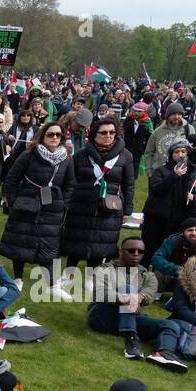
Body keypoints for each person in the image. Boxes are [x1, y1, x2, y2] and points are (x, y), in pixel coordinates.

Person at [0, 120, 74, 289]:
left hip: (52, 207)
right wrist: (13, 201)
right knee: (21, 240)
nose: (54, 137)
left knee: (49, 242)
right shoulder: (29, 154)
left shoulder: (66, 159)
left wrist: (63, 204)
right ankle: (18, 278)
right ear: (43, 136)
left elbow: (70, 184)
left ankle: (51, 282)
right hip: (26, 204)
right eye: (50, 134)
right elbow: (12, 179)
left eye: (58, 134)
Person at [59, 115, 134, 279]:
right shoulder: (82, 155)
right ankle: (67, 275)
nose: (109, 136)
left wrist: (127, 209)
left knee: (101, 243)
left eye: (112, 132)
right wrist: (67, 202)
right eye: (104, 132)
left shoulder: (125, 156)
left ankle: (91, 277)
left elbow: (129, 185)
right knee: (76, 240)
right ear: (95, 135)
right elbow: (71, 181)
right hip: (81, 204)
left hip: (109, 207)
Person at [86, 236, 176, 362]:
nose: (136, 254)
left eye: (140, 251)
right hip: (102, 315)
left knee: (171, 325)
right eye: (131, 250)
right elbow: (101, 293)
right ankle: (131, 338)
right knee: (127, 289)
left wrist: (138, 298)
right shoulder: (104, 269)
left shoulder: (148, 276)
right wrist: (128, 298)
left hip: (131, 318)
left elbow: (148, 296)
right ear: (120, 251)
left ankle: (165, 354)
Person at [141, 141, 196, 263]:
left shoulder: (195, 172)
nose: (180, 154)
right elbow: (157, 189)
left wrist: (194, 198)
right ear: (171, 154)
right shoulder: (161, 171)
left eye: (183, 151)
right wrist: (174, 175)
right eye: (176, 151)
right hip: (158, 218)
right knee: (150, 249)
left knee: (174, 251)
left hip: (181, 219)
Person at [151, 217, 196, 291]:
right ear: (183, 232)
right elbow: (156, 258)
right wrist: (177, 269)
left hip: (190, 278)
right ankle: (158, 292)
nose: (194, 233)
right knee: (158, 272)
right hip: (170, 274)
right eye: (190, 230)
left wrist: (185, 272)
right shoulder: (172, 241)